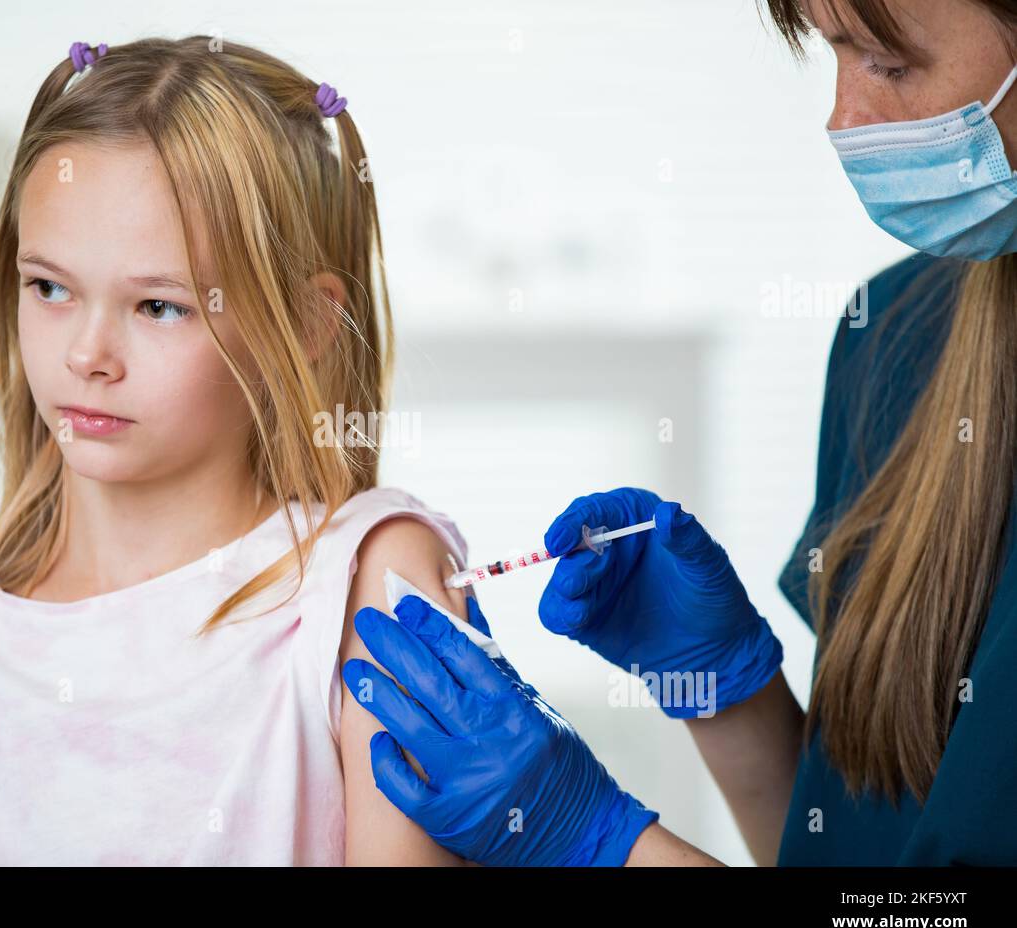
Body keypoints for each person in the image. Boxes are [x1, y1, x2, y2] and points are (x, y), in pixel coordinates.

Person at [344, 0, 1017, 866]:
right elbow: (846, 862)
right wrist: (721, 687)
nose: (844, 119)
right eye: (832, 56)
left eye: (889, 64)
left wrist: (592, 835)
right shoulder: (894, 336)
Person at [0, 36, 480, 865]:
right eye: (49, 287)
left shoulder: (363, 582)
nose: (87, 355)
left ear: (305, 325)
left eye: (158, 307)